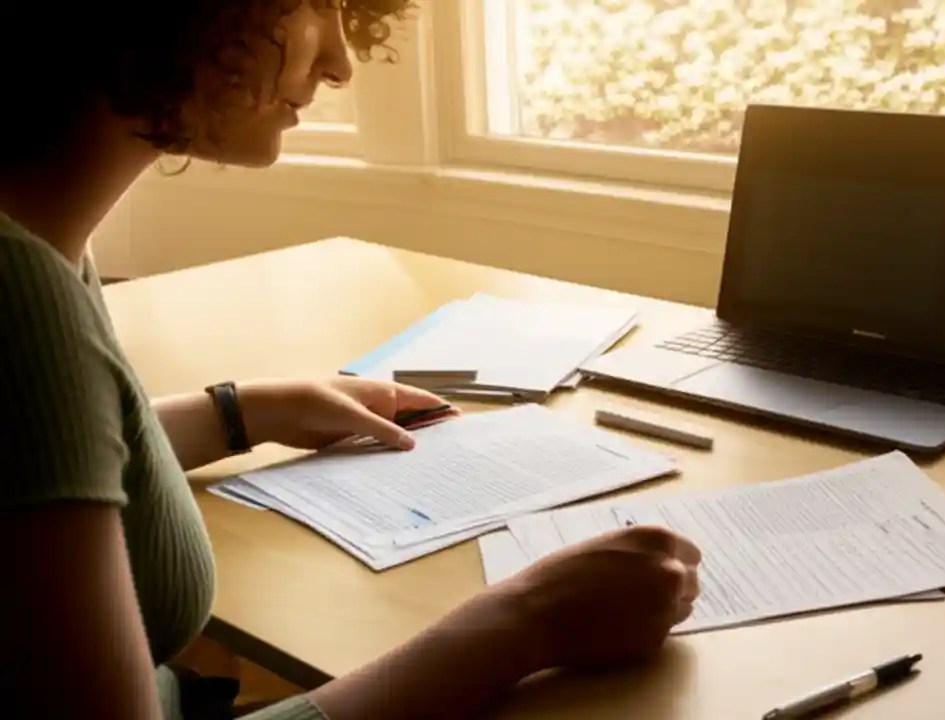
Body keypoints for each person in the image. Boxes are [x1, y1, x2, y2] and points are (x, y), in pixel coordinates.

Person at [0, 2, 702, 718]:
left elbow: (30, 463)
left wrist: (243, 412)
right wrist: (526, 621)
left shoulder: (42, 238)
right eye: (316, 4)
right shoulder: (18, 293)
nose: (341, 61)